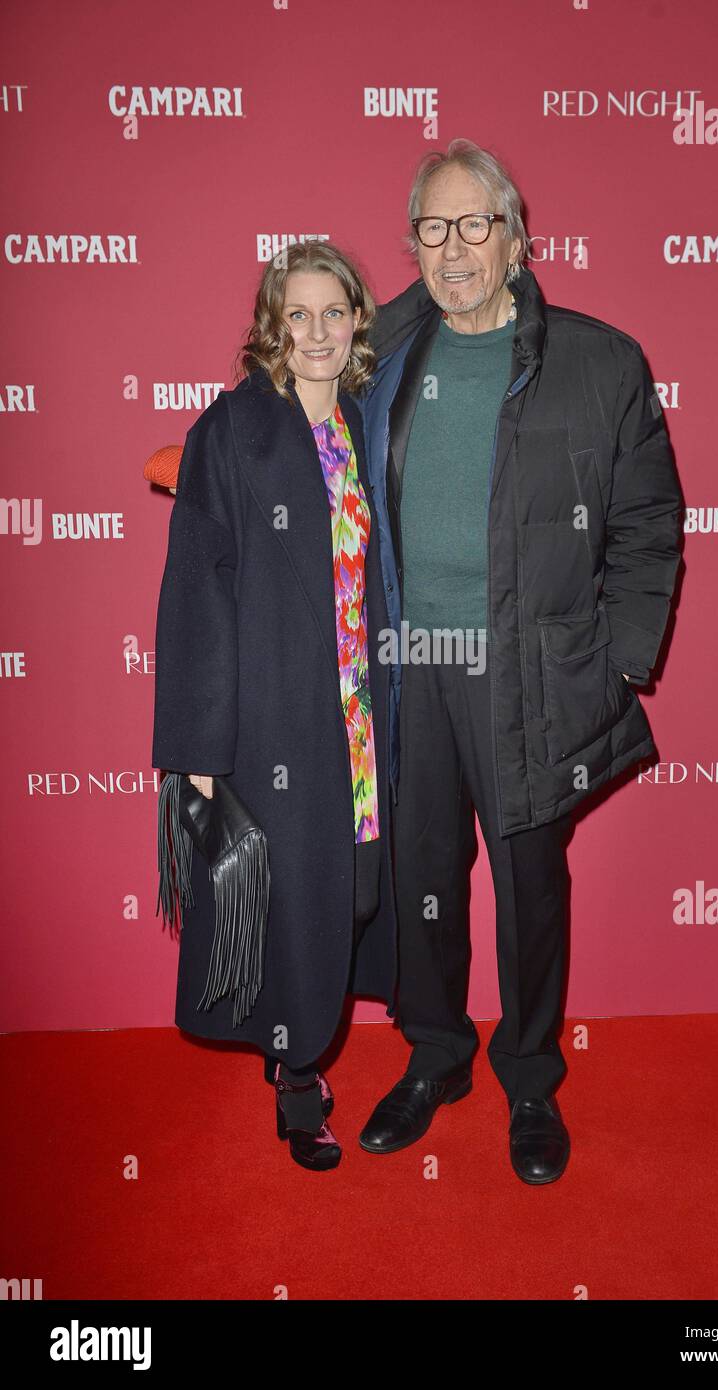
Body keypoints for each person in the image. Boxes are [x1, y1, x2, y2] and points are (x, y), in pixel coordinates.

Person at [356, 138, 684, 1184]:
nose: (452, 250)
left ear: (514, 233)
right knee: (419, 877)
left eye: (473, 224)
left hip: (531, 670)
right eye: (431, 228)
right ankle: (437, 1054)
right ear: (412, 242)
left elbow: (647, 522)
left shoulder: (599, 362)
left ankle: (530, 1078)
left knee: (528, 886)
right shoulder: (376, 350)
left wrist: (621, 660)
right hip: (409, 661)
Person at [151, 241, 398, 1172]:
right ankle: (297, 1081)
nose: (318, 331)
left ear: (357, 322)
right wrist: (200, 748)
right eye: (298, 314)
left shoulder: (369, 425)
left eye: (334, 311)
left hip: (363, 712)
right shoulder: (235, 430)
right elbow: (196, 594)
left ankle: (307, 1042)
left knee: (359, 889)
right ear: (272, 327)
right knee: (293, 897)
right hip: (275, 718)